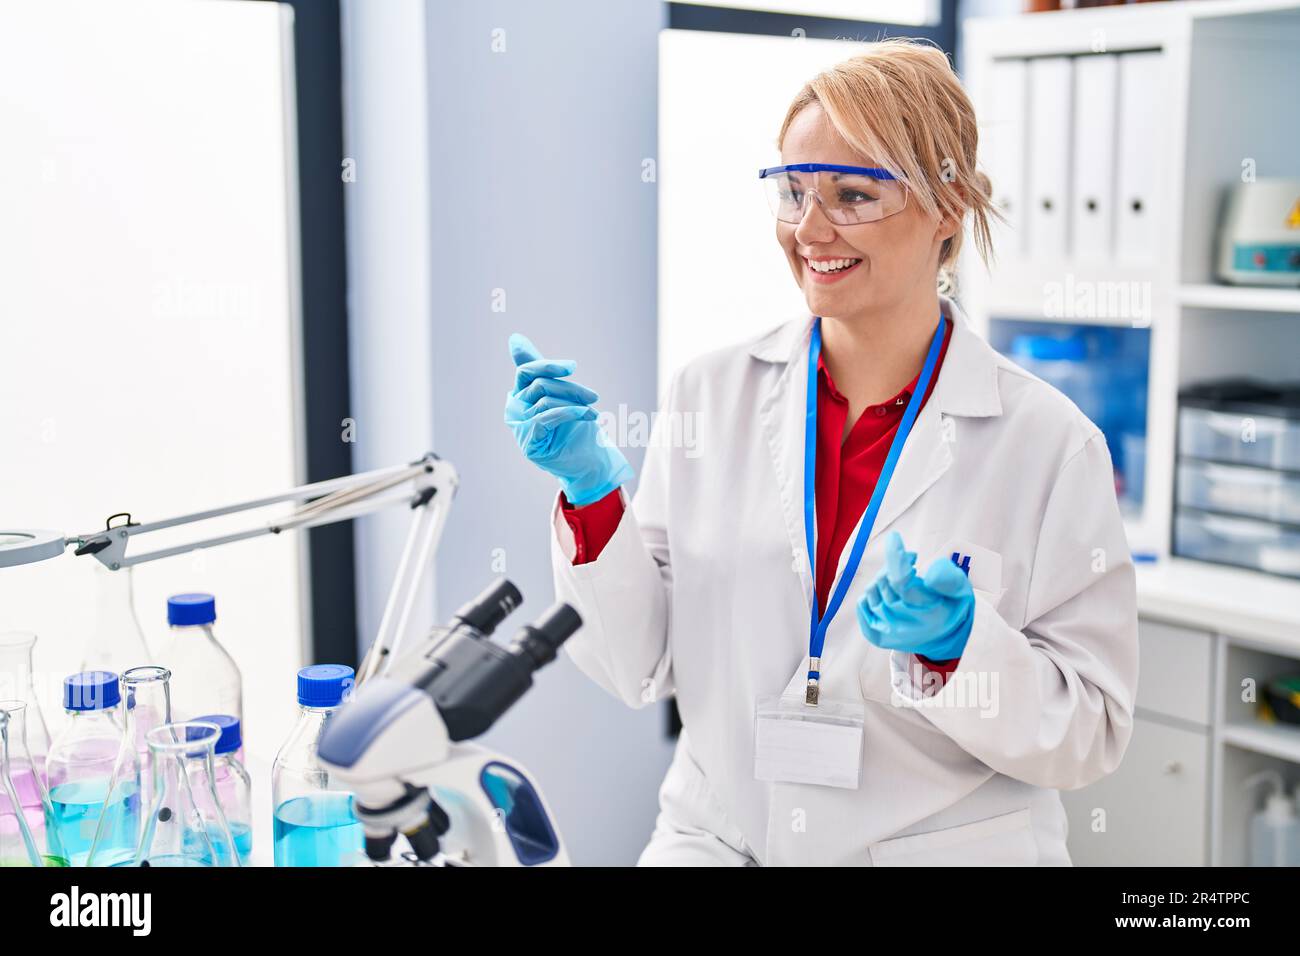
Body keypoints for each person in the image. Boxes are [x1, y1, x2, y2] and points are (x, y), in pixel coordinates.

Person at [504, 39, 1137, 866]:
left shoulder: (1049, 443)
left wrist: (959, 650)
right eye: (794, 191)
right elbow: (639, 664)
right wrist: (592, 498)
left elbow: (1089, 732)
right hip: (719, 840)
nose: (809, 228)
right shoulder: (710, 394)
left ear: (947, 205)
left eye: (850, 195)